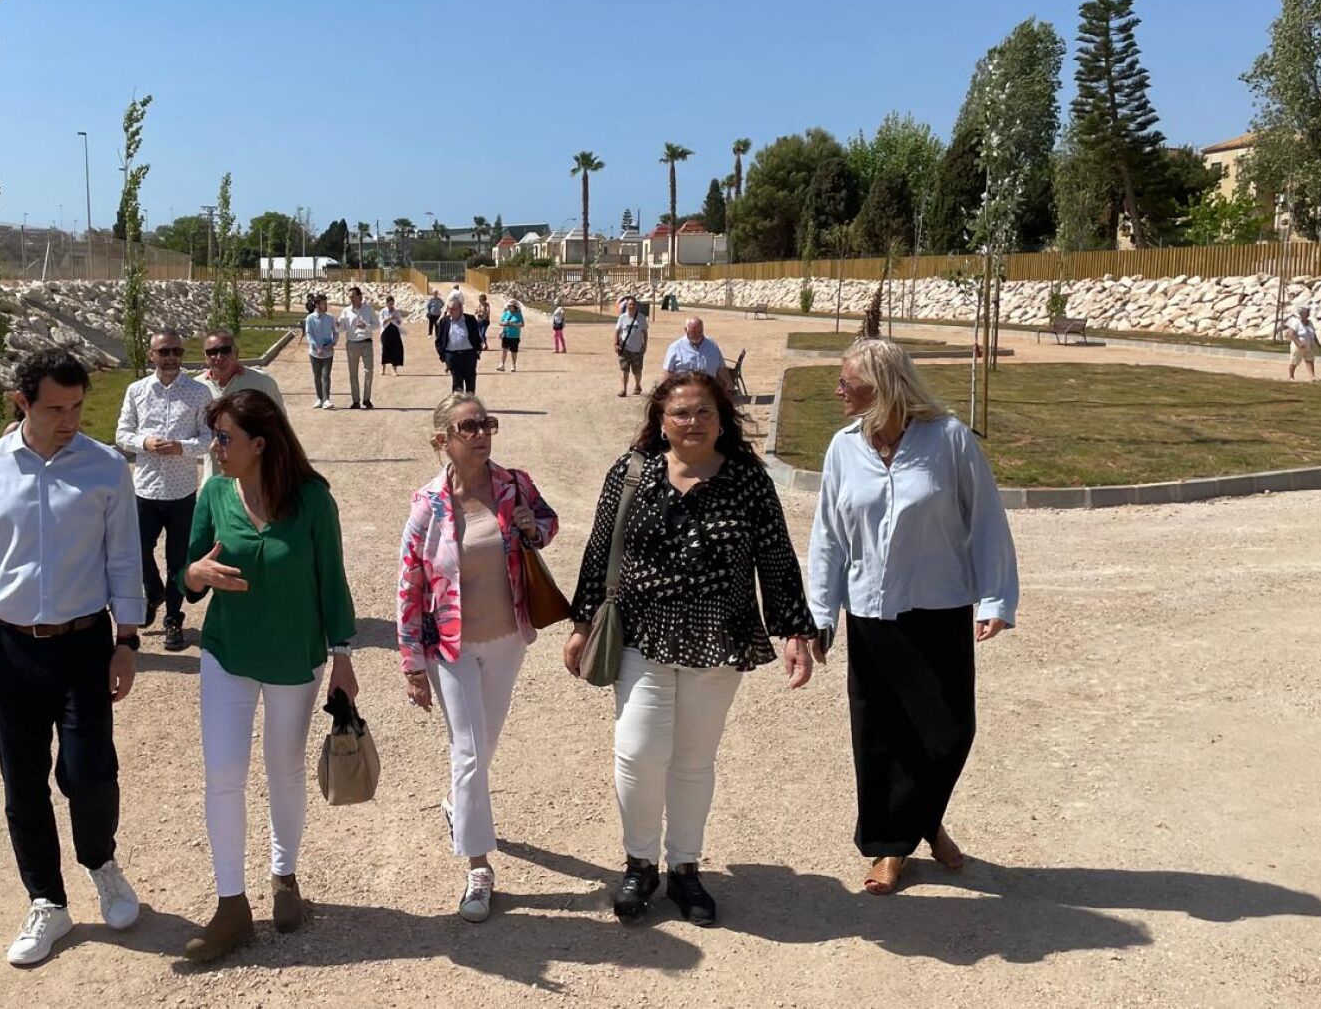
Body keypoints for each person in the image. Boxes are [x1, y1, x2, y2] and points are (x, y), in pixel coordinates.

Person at [563, 371, 818, 928]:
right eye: (680, 413)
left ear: (721, 417)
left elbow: (776, 558)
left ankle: (684, 867)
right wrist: (583, 624)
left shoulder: (748, 479)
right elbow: (600, 550)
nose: (693, 422)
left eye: (703, 412)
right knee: (636, 752)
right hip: (641, 635)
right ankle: (639, 863)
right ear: (660, 421)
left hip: (718, 637)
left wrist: (795, 632)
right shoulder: (632, 473)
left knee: (693, 762)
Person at [0, 347, 145, 966]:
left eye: (79, 406)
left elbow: (123, 559)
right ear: (21, 403)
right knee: (22, 780)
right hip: (9, 648)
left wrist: (128, 641)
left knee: (89, 773)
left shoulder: (106, 468)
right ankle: (47, 902)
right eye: (55, 408)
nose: (70, 419)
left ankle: (99, 860)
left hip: (84, 644)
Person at [806, 338, 1019, 897]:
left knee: (949, 732)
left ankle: (923, 819)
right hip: (872, 613)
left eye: (848, 382)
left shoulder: (949, 440)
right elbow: (827, 536)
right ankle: (889, 848)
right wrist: (820, 615)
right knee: (881, 737)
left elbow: (988, 520)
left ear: (883, 389)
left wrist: (996, 598)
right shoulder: (842, 448)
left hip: (940, 607)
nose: (839, 390)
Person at [176, 389, 358, 962]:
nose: (216, 448)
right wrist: (196, 573)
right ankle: (231, 905)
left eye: (225, 437)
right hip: (227, 655)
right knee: (223, 774)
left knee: (284, 769)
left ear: (260, 442)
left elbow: (333, 581)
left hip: (294, 660)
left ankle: (285, 878)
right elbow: (186, 576)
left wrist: (344, 658)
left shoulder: (311, 500)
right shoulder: (213, 493)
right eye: (215, 437)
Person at [397, 393, 559, 923]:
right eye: (468, 426)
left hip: (507, 637)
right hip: (450, 647)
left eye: (487, 423)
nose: (482, 433)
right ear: (442, 439)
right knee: (467, 752)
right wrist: (411, 664)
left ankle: (456, 806)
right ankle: (478, 869)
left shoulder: (514, 484)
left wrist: (536, 529)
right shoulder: (427, 504)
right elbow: (410, 584)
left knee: (484, 747)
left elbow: (549, 522)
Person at [114, 329, 213, 653]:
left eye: (176, 352)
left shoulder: (199, 393)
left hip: (182, 491)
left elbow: (207, 439)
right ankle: (152, 592)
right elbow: (121, 434)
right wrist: (145, 443)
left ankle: (173, 617)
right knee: (136, 551)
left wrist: (181, 448)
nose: (171, 358)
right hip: (145, 489)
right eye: (164, 351)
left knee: (177, 560)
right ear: (151, 355)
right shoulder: (137, 391)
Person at [197, 329, 286, 412]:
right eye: (212, 352)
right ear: (205, 356)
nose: (219, 357)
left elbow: (280, 423)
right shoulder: (197, 387)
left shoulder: (263, 383)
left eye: (225, 350)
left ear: (236, 353)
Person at [338, 285, 380, 410]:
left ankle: (366, 399)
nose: (351, 299)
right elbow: (341, 328)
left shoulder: (368, 309)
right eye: (349, 297)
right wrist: (337, 325)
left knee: (369, 372)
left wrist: (366, 326)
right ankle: (355, 400)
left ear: (360, 296)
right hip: (352, 344)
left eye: (353, 296)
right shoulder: (346, 311)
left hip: (366, 343)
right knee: (353, 373)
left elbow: (376, 325)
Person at [435, 294, 483, 394]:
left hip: (469, 355)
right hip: (452, 357)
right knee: (457, 383)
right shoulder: (444, 321)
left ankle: (470, 405)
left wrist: (477, 351)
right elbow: (439, 340)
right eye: (449, 309)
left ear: (461, 308)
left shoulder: (470, 320)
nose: (451, 311)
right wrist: (444, 357)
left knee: (470, 381)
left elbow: (477, 337)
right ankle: (458, 406)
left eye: (453, 309)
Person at [303, 295, 339, 409]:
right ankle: (319, 398)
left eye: (326, 303)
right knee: (317, 375)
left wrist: (333, 343)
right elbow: (308, 333)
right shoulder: (310, 318)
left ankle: (326, 399)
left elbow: (336, 332)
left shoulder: (330, 318)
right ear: (317, 305)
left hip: (328, 353)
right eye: (323, 303)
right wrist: (315, 346)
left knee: (326, 375)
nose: (326, 306)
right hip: (314, 353)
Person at [660, 317, 725, 380]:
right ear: (686, 330)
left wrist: (729, 385)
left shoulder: (712, 345)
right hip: (685, 388)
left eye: (700, 332)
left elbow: (722, 368)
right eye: (693, 332)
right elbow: (668, 373)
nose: (697, 335)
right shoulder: (675, 348)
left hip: (709, 388)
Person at [614, 300, 650, 397]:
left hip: (637, 349)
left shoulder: (641, 318)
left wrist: (645, 344)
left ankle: (637, 386)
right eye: (630, 304)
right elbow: (617, 331)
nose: (632, 306)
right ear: (627, 306)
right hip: (624, 348)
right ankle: (624, 389)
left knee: (637, 370)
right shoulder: (622, 318)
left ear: (637, 306)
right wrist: (615, 344)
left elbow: (645, 332)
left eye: (634, 304)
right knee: (624, 369)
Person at [1286, 305, 1319, 382]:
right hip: (1298, 346)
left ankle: (1313, 377)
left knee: (1310, 360)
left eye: (1308, 312)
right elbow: (1291, 334)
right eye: (1306, 312)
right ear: (1301, 313)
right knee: (1294, 361)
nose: (1308, 314)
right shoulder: (1296, 322)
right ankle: (1291, 376)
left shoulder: (1310, 322)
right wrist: (1298, 343)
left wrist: (1317, 343)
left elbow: (1313, 333)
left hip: (1308, 345)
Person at [379, 295, 407, 375]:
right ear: (387, 303)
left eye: (392, 303)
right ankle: (383, 369)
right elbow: (381, 322)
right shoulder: (383, 311)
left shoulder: (396, 311)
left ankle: (394, 369)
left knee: (396, 349)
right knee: (385, 350)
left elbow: (400, 322)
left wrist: (397, 319)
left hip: (394, 331)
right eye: (389, 303)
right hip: (385, 332)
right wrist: (390, 318)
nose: (391, 305)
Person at [496, 299, 525, 372]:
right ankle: (502, 364)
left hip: (515, 336)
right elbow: (500, 322)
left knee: (514, 351)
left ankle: (513, 365)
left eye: (510, 306)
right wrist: (505, 323)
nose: (508, 307)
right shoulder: (506, 313)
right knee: (504, 350)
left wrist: (514, 324)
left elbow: (522, 324)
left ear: (514, 307)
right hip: (506, 335)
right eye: (508, 306)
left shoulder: (519, 314)